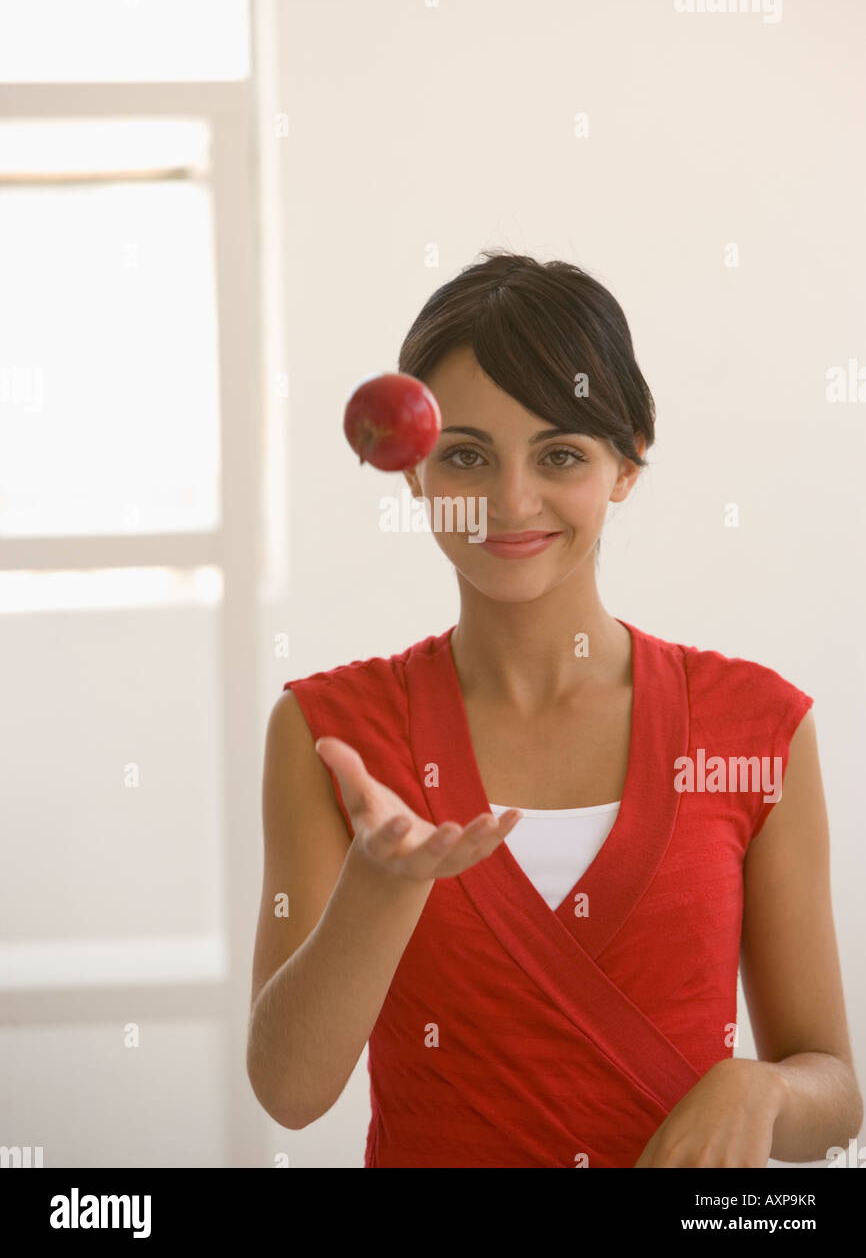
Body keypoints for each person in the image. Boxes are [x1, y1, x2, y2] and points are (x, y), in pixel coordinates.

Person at [246, 251, 861, 1168]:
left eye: (561, 453)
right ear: (412, 471)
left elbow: (835, 1093)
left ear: (628, 462)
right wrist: (382, 887)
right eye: (465, 456)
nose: (510, 501)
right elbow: (290, 1095)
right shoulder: (329, 732)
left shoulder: (758, 727)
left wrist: (759, 1086)